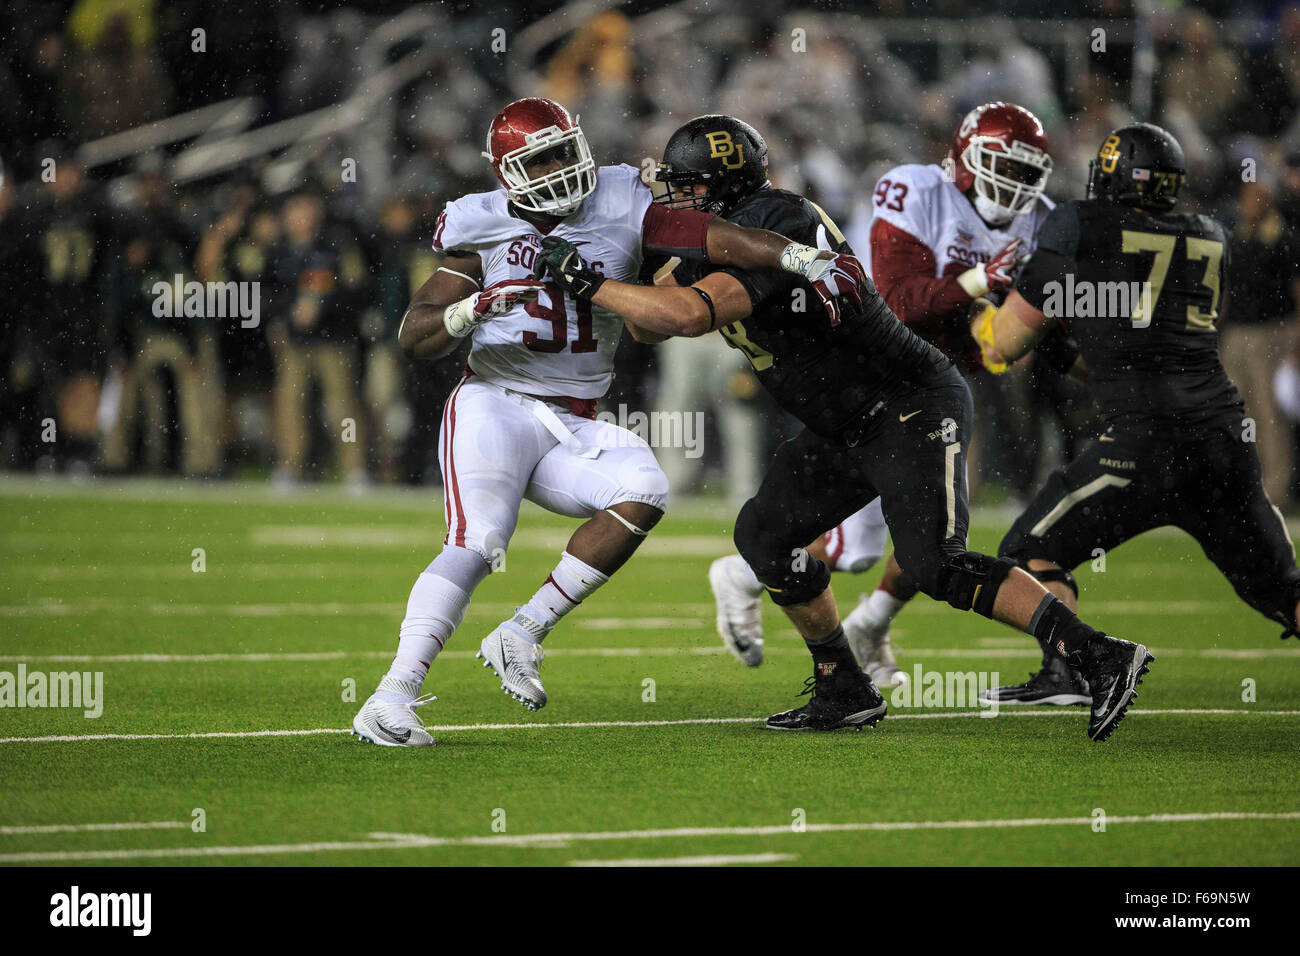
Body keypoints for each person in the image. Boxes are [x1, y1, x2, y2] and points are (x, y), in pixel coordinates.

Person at [537, 113, 1152, 741]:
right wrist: (625, 271)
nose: (678, 199)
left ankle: (1100, 655)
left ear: (723, 187)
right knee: (765, 535)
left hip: (908, 403)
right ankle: (842, 685)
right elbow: (648, 323)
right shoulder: (718, 233)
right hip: (845, 424)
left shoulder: (776, 223)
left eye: (690, 186)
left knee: (934, 564)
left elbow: (691, 315)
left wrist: (591, 282)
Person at [351, 98, 868, 746]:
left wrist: (793, 256)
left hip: (574, 419)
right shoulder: (477, 220)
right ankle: (391, 696)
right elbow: (415, 334)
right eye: (543, 158)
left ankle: (521, 631)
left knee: (644, 488)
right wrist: (472, 309)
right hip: (495, 401)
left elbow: (713, 239)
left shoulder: (622, 194)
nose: (563, 166)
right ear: (509, 171)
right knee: (479, 541)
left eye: (567, 148)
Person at [971, 123, 1300, 707]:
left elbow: (1008, 343)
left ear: (1111, 177)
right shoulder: (1210, 233)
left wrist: (981, 314)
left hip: (1143, 446)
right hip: (1222, 438)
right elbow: (1138, 340)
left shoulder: (1079, 224)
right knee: (1278, 588)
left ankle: (1073, 667)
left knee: (1026, 550)